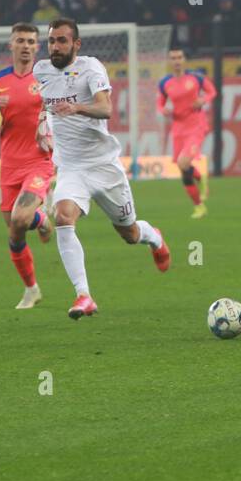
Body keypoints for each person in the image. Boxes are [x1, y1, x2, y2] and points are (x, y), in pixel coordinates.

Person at [34, 18, 170, 320]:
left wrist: (77, 108)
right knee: (63, 217)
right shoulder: (40, 71)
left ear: (76, 44)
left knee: (129, 233)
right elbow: (40, 105)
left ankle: (154, 237)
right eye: (52, 41)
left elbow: (105, 108)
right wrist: (40, 125)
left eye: (62, 41)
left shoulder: (91, 68)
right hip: (70, 167)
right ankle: (84, 296)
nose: (55, 46)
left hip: (103, 166)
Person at [0, 23, 56, 310]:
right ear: (10, 45)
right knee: (14, 231)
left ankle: (42, 218)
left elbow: (64, 111)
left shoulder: (48, 78)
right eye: (20, 40)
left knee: (22, 218)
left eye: (31, 41)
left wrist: (49, 126)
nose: (25, 45)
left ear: (37, 47)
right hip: (9, 166)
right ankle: (31, 289)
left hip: (39, 162)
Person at [157, 49, 217, 218]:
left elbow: (212, 91)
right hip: (178, 128)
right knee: (182, 167)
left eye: (179, 57)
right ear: (170, 61)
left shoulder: (196, 78)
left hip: (196, 126)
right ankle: (200, 196)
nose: (177, 61)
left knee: (184, 163)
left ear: (184, 59)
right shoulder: (165, 83)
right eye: (173, 58)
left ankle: (199, 207)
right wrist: (165, 110)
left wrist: (203, 100)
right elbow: (160, 105)